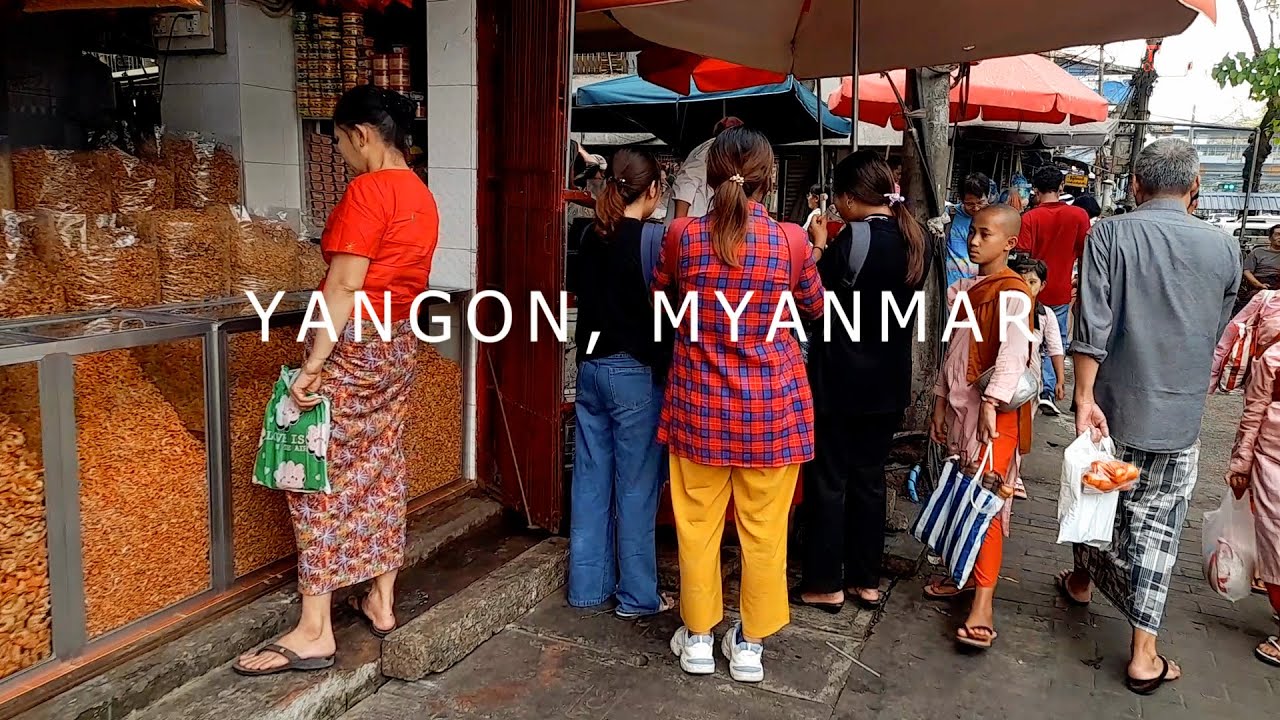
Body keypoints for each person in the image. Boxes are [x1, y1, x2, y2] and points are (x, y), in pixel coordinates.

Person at [233, 85, 439, 675]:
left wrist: (313, 366)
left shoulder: (369, 190)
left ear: (363, 135)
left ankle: (314, 629)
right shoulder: (421, 194)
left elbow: (344, 287)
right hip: (399, 343)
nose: (342, 153)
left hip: (352, 347)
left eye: (341, 141)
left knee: (313, 473)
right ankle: (381, 596)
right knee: (380, 464)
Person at [1057, 138, 1240, 695]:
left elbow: (1091, 324)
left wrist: (1084, 398)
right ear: (1196, 186)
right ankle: (1143, 653)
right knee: (1158, 527)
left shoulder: (1109, 233)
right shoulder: (1225, 247)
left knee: (1099, 499)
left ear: (1135, 185)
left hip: (1112, 408)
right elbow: (1216, 327)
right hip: (1180, 417)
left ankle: (1086, 580)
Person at [655, 126, 824, 683]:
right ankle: (749, 644)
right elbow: (815, 308)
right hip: (772, 413)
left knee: (696, 527)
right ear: (769, 181)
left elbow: (665, 297)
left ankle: (699, 636)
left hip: (699, 408)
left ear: (708, 177)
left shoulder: (681, 235)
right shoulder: (794, 240)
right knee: (764, 533)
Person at [792, 151, 928, 613]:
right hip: (888, 384)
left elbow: (813, 301)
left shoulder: (854, 239)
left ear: (850, 198)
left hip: (839, 380)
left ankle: (825, 583)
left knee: (829, 480)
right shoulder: (917, 240)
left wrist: (815, 248)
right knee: (869, 479)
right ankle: (866, 581)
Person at [566, 149, 674, 619]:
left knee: (590, 480)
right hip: (633, 374)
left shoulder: (589, 234)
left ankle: (586, 587)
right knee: (636, 489)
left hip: (589, 370)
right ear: (651, 190)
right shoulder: (654, 241)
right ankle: (636, 597)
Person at [925, 204, 1036, 650]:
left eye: (985, 235)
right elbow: (953, 351)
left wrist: (991, 403)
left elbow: (1014, 354)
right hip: (959, 410)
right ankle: (965, 575)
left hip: (992, 418)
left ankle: (984, 603)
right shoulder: (971, 289)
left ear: (1009, 243)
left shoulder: (1011, 293)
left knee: (986, 502)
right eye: (972, 232)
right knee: (961, 494)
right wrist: (937, 402)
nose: (974, 241)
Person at [1221, 293, 1280, 667]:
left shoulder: (1273, 354)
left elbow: (1255, 408)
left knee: (1275, 537)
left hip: (1273, 454)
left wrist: (1241, 462)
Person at [1016, 165, 1090, 417]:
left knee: (1028, 339)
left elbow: (1023, 255)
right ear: (1061, 188)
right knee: (1055, 341)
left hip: (1031, 290)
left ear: (1035, 190)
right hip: (1060, 289)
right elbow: (1084, 253)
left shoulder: (1029, 218)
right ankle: (1047, 390)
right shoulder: (1079, 216)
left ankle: (1028, 386)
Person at [1009, 256, 1066, 500]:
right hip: (1002, 378)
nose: (1026, 286)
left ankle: (1014, 474)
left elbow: (1055, 348)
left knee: (1022, 429)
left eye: (1032, 281)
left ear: (1042, 286)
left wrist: (1060, 381)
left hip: (1029, 384)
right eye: (1021, 280)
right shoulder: (1004, 308)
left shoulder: (1045, 316)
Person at [671, 116, 744, 219]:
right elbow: (686, 181)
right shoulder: (709, 149)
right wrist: (679, 223)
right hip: (690, 219)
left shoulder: (722, 150)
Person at [944, 173, 990, 288]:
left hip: (979, 287)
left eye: (980, 202)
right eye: (969, 204)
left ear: (988, 196)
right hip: (950, 286)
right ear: (961, 199)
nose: (976, 208)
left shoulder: (993, 219)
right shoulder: (949, 215)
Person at [1238, 225, 1280, 314]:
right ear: (1270, 238)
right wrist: (1258, 285)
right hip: (1261, 282)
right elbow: (1247, 271)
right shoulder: (1258, 252)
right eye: (1277, 234)